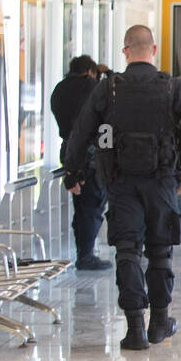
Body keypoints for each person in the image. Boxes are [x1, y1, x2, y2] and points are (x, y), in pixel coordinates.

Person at [65, 25, 181, 351]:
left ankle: (134, 328)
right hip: (161, 182)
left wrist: (72, 173)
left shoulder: (109, 88)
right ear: (154, 49)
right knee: (160, 252)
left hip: (120, 183)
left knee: (127, 251)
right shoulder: (172, 88)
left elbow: (81, 133)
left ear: (125, 52)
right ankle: (159, 323)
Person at [50, 55, 110, 270]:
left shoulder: (60, 89)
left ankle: (83, 251)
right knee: (93, 204)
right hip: (90, 152)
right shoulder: (93, 87)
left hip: (68, 149)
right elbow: (105, 119)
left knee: (82, 204)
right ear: (91, 71)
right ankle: (86, 255)